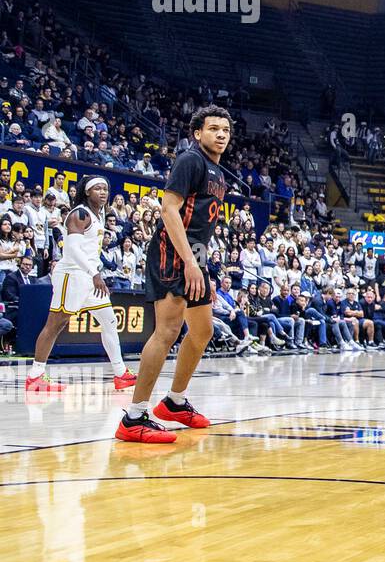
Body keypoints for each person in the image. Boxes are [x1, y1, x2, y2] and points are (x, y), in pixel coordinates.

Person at [117, 106, 231, 443]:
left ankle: (175, 402)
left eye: (225, 129)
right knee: (167, 331)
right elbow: (168, 209)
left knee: (202, 330)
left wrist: (201, 259)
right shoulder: (190, 160)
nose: (221, 134)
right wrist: (190, 262)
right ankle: (134, 416)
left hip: (196, 254)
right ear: (198, 133)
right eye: (213, 128)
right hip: (173, 253)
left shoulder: (217, 169)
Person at [24, 177, 136, 393]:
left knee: (109, 321)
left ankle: (120, 373)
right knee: (55, 324)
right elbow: (73, 249)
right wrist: (95, 273)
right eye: (97, 189)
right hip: (72, 275)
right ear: (87, 192)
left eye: (105, 188)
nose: (103, 192)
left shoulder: (98, 214)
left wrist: (95, 272)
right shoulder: (80, 213)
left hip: (89, 277)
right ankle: (35, 376)